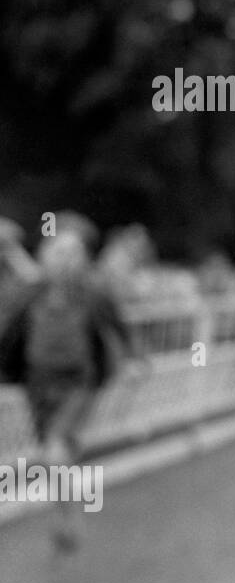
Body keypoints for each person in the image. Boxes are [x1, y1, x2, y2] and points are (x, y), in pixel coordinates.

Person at [0, 211, 139, 553]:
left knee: (55, 452)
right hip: (37, 382)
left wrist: (136, 359)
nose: (64, 259)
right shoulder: (33, 291)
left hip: (79, 382)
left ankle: (70, 519)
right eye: (57, 251)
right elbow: (10, 328)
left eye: (71, 252)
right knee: (55, 455)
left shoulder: (91, 293)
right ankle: (67, 515)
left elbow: (119, 325)